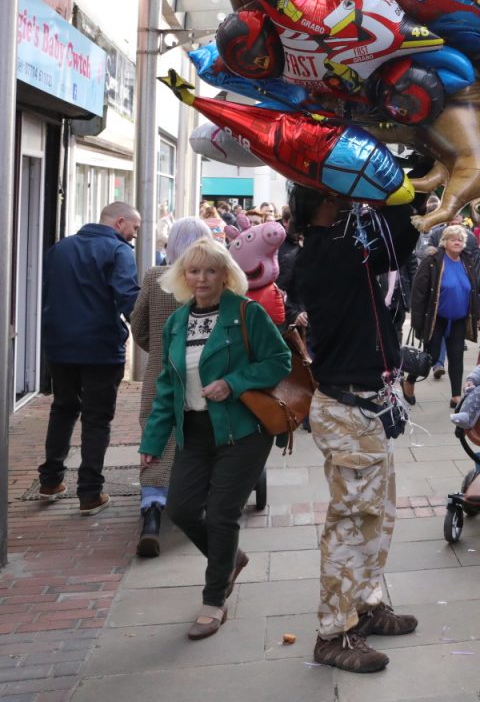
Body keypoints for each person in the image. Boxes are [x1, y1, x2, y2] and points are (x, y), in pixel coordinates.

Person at [287, 186, 422, 674]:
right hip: (348, 411)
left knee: (376, 519)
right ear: (322, 203)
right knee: (350, 524)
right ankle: (333, 633)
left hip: (365, 408)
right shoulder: (331, 249)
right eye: (341, 195)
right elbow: (402, 237)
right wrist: (402, 188)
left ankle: (364, 607)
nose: (353, 203)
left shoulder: (338, 245)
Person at [137, 237, 291, 640]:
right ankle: (230, 559)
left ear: (226, 276)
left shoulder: (247, 313)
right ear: (182, 276)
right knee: (183, 509)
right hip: (195, 431)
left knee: (222, 513)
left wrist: (234, 382)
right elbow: (167, 387)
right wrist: (152, 443)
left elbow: (279, 362)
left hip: (242, 431)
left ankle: (213, 599)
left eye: (210, 271)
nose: (201, 278)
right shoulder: (178, 321)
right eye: (193, 271)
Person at [38, 201, 143, 516]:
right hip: (99, 347)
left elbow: (47, 293)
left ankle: (50, 480)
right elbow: (128, 297)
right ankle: (89, 493)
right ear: (119, 222)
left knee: (63, 409)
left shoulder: (60, 249)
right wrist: (150, 334)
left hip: (59, 345)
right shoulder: (118, 251)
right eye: (134, 228)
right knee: (97, 419)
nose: (134, 235)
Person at [131, 216, 213, 558]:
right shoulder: (212, 280)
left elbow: (138, 326)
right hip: (203, 376)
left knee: (157, 435)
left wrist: (160, 354)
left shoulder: (154, 277)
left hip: (161, 375)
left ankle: (152, 513)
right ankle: (195, 503)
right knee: (197, 437)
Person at [408, 224, 479, 402]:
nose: (457, 242)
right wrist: (418, 321)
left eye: (460, 239)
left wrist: (478, 314)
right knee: (430, 357)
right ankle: (409, 381)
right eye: (453, 239)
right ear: (444, 242)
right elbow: (418, 292)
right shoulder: (432, 261)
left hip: (459, 320)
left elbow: (473, 289)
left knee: (457, 357)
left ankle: (456, 396)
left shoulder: (466, 261)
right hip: (435, 319)